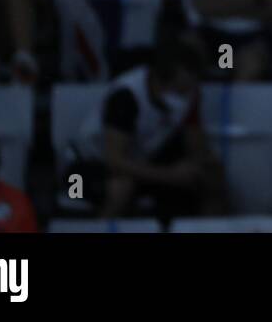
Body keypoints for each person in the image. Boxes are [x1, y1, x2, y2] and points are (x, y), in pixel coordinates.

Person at [63, 39, 226, 219]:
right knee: (120, 187)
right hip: (91, 164)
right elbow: (114, 160)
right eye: (181, 90)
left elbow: (196, 145)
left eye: (190, 88)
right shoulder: (126, 97)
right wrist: (170, 175)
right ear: (159, 81)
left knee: (210, 176)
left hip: (143, 161)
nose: (186, 95)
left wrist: (200, 166)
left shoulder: (189, 95)